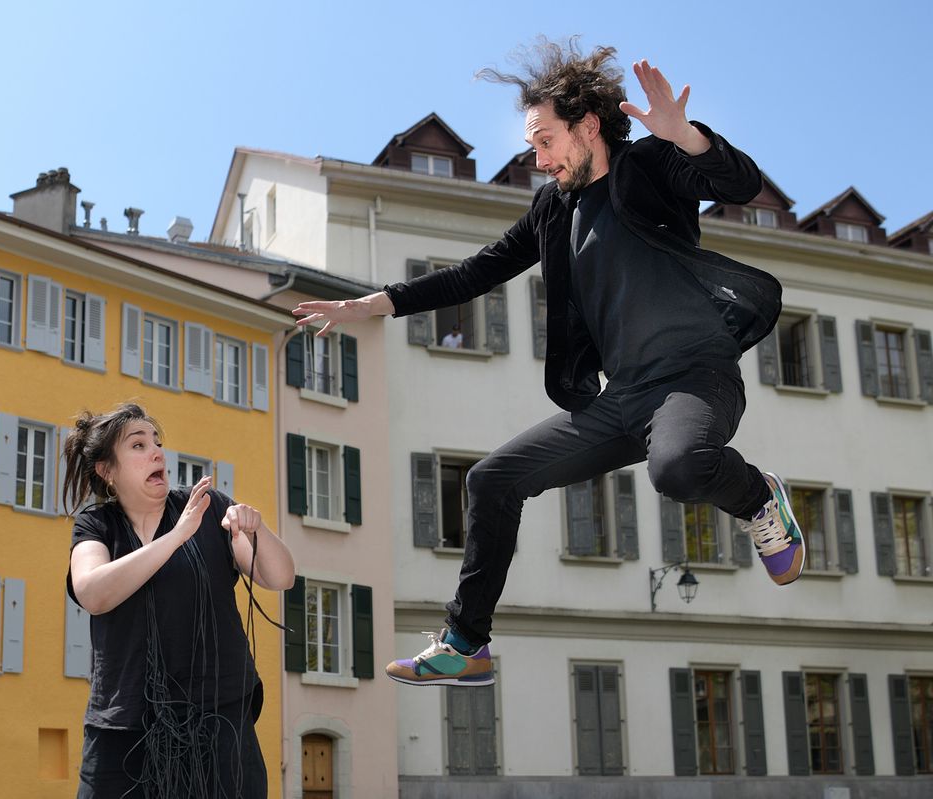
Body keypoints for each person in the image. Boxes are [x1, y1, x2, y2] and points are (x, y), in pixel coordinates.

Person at [292, 41, 804, 688]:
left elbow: (738, 184)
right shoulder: (552, 211)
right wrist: (378, 302)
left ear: (588, 125)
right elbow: (480, 270)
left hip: (695, 377)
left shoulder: (647, 168)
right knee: (491, 479)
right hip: (622, 401)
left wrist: (688, 137)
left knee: (675, 467)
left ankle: (762, 500)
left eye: (546, 139)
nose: (538, 158)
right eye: (532, 144)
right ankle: (465, 643)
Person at [65, 401, 295, 796]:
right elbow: (92, 592)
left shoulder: (208, 507)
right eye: (137, 445)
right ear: (107, 470)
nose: (156, 451)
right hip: (124, 727)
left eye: (156, 441)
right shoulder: (96, 525)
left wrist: (256, 532)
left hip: (217, 723)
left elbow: (281, 577)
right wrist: (177, 537)